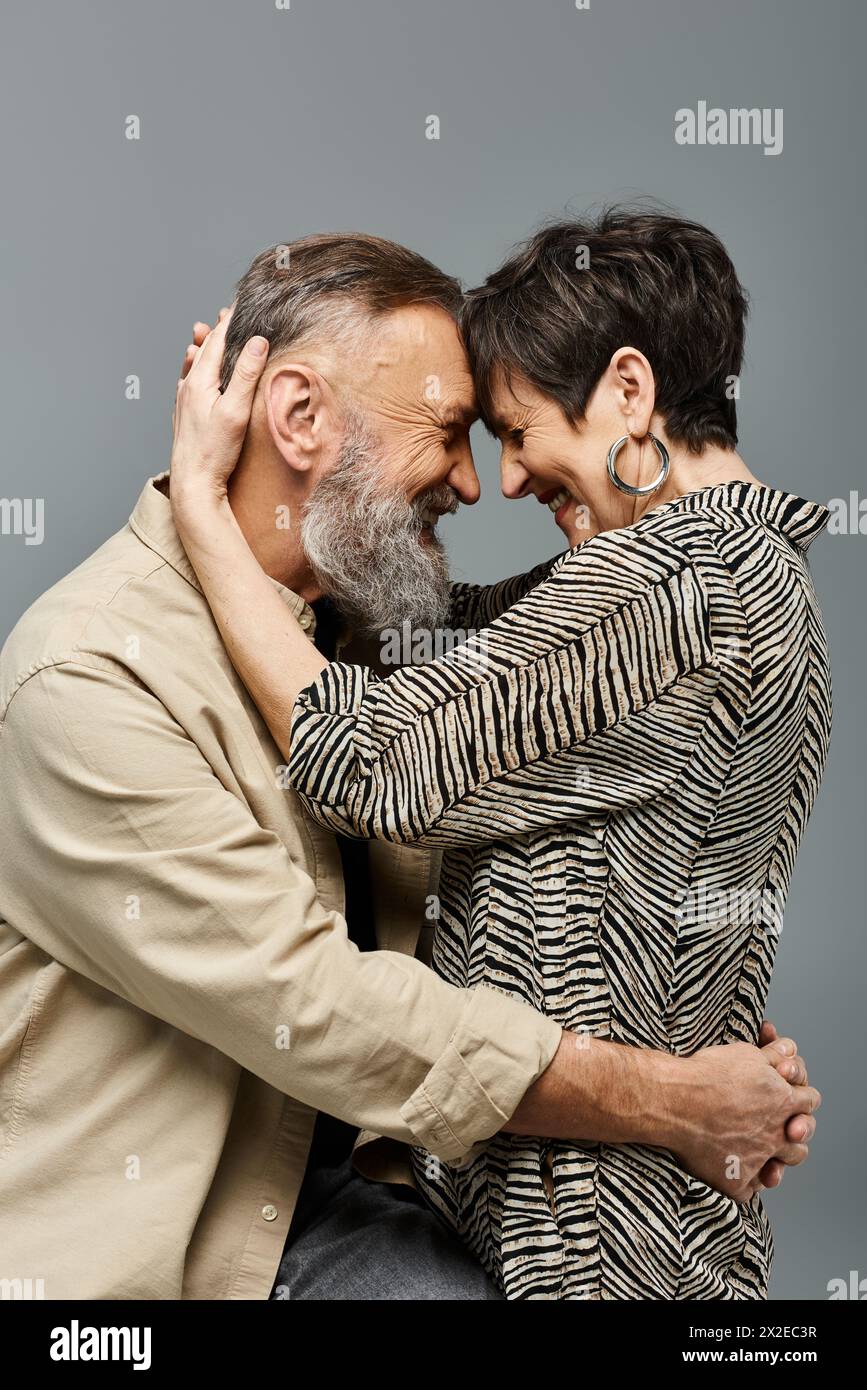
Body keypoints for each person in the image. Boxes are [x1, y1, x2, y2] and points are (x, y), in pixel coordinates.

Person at [168, 214, 829, 1300]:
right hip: (642, 1228)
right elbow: (453, 643)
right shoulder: (744, 576)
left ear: (629, 391)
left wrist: (199, 509)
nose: (509, 479)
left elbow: (371, 760)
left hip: (598, 1248)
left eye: (518, 431)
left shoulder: (679, 587)